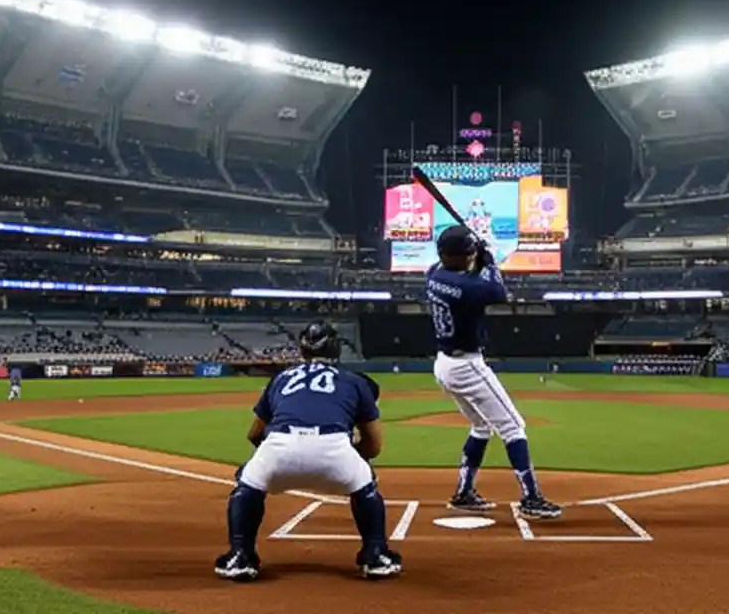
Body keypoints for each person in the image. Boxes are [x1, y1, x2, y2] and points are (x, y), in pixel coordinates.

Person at [214, 322, 400, 583]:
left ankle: (240, 556)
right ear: (337, 348)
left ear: (302, 349)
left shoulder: (281, 378)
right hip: (334, 450)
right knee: (366, 484)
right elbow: (374, 446)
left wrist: (274, 461)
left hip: (279, 446)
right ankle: (376, 555)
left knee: (247, 484)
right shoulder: (355, 381)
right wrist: (352, 456)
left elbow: (254, 434)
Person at [426, 224, 561, 520]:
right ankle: (531, 498)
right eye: (467, 253)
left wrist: (477, 255)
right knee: (513, 427)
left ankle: (464, 492)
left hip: (444, 363)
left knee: (481, 426)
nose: (470, 256)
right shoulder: (468, 288)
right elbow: (498, 291)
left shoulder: (434, 273)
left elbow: (469, 276)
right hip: (466, 365)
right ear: (455, 256)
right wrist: (487, 258)